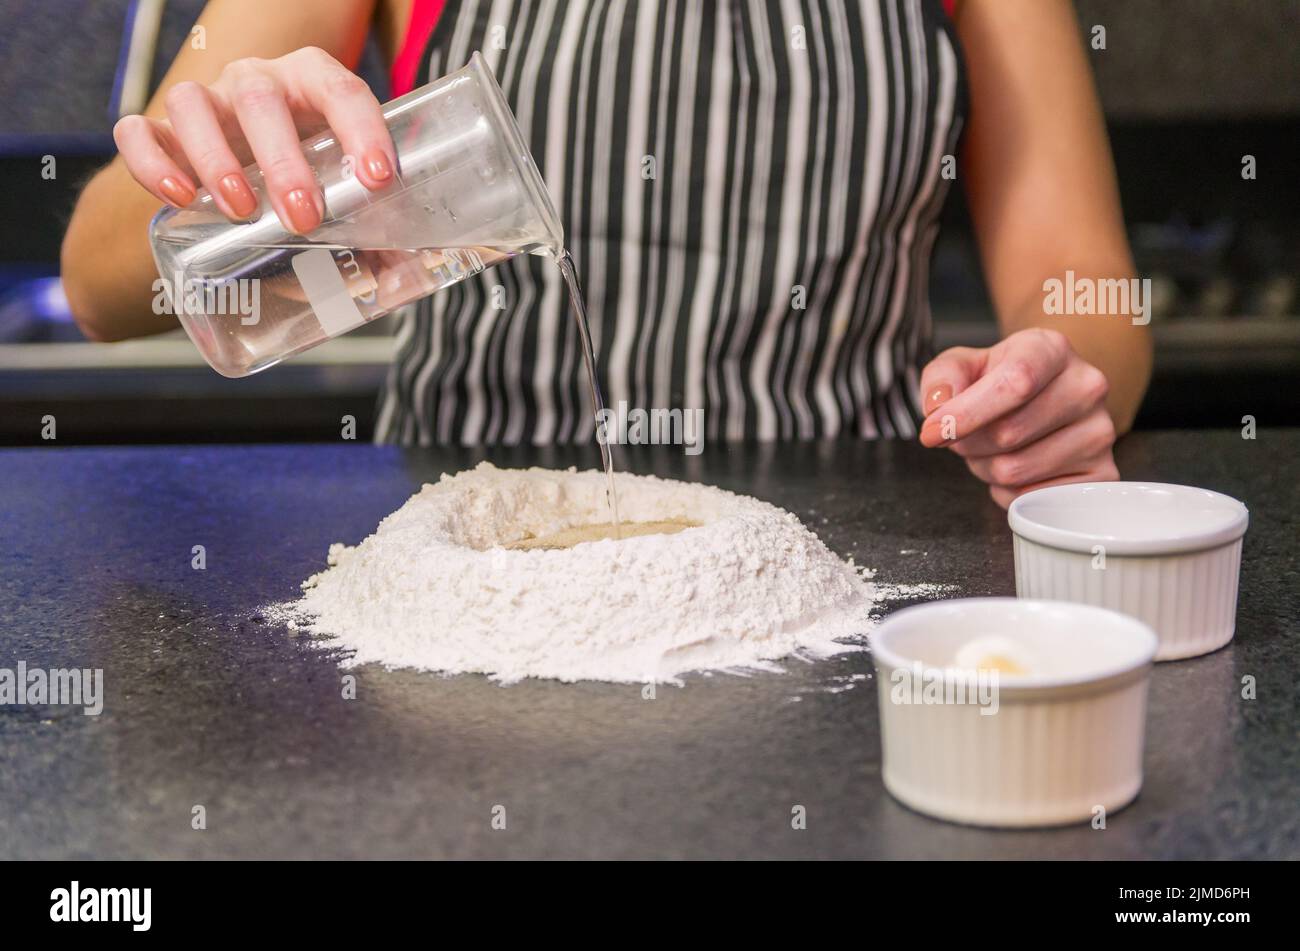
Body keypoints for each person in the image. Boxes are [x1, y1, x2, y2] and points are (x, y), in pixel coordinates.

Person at [61, 0, 1151, 508]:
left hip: (845, 538)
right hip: (466, 546)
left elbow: (1081, 283)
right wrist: (229, 181)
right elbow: (102, 282)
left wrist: (1045, 377)